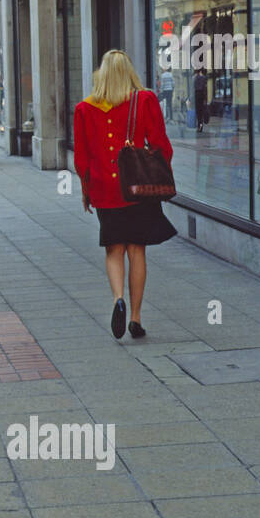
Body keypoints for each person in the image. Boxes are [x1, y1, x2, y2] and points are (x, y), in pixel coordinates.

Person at [73, 50, 175, 342]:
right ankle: (136, 317)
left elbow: (82, 158)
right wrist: (161, 172)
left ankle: (118, 298)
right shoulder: (144, 100)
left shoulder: (84, 108)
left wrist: (86, 191)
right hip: (138, 189)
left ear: (101, 74)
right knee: (137, 251)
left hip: (105, 189)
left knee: (113, 250)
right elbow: (161, 145)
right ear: (129, 72)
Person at [192, 68, 208, 133]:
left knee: (198, 113)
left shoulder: (194, 78)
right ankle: (201, 126)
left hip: (197, 96)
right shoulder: (204, 78)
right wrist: (205, 99)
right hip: (202, 96)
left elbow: (193, 88)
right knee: (201, 113)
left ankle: (199, 126)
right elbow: (205, 89)